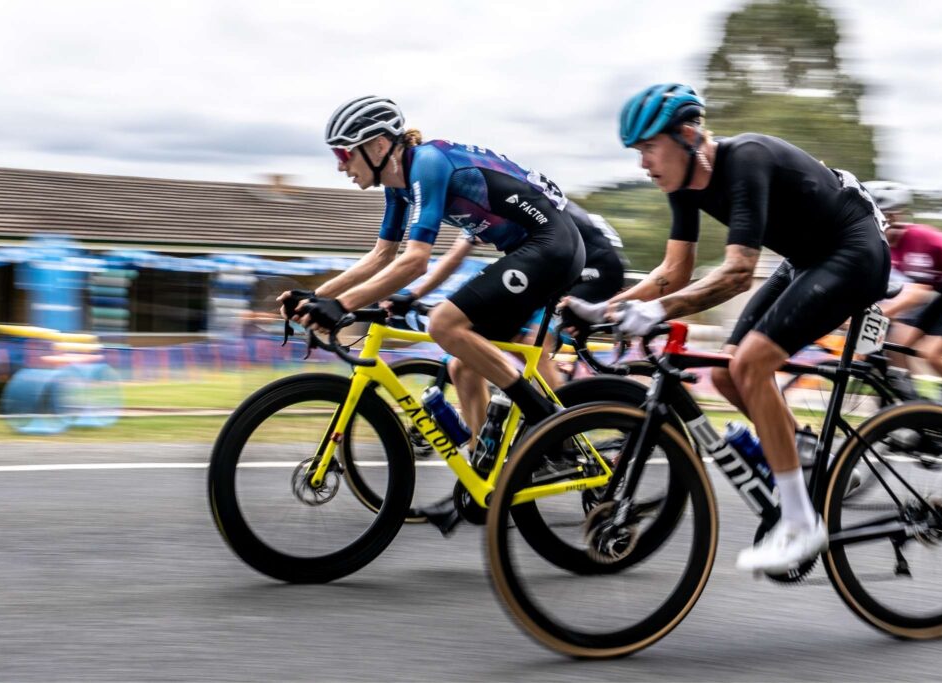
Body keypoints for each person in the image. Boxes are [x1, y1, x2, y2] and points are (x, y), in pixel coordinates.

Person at [567, 83, 891, 573]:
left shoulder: (746, 159)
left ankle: (801, 525)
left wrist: (657, 311)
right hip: (806, 259)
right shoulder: (682, 185)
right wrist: (605, 310)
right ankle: (803, 453)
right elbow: (674, 272)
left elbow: (739, 273)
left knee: (751, 363)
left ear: (687, 136)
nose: (643, 163)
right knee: (724, 373)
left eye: (649, 147)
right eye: (638, 151)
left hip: (854, 251)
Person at [282, 94, 584, 473]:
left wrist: (341, 306)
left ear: (379, 146)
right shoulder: (398, 185)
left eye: (344, 154)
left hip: (552, 246)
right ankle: (491, 475)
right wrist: (316, 297)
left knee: (444, 324)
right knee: (463, 368)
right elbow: (381, 256)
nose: (340, 165)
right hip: (531, 251)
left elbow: (416, 262)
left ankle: (545, 419)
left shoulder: (428, 163)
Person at [384, 200, 627, 394]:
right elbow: (453, 258)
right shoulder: (474, 211)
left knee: (534, 343)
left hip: (595, 268)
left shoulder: (500, 202)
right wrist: (416, 294)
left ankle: (562, 427)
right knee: (476, 353)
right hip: (552, 270)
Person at [865, 181, 942, 405]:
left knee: (931, 355)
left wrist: (879, 313)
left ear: (892, 217)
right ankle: (911, 402)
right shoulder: (890, 248)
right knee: (899, 342)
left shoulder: (916, 238)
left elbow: (918, 294)